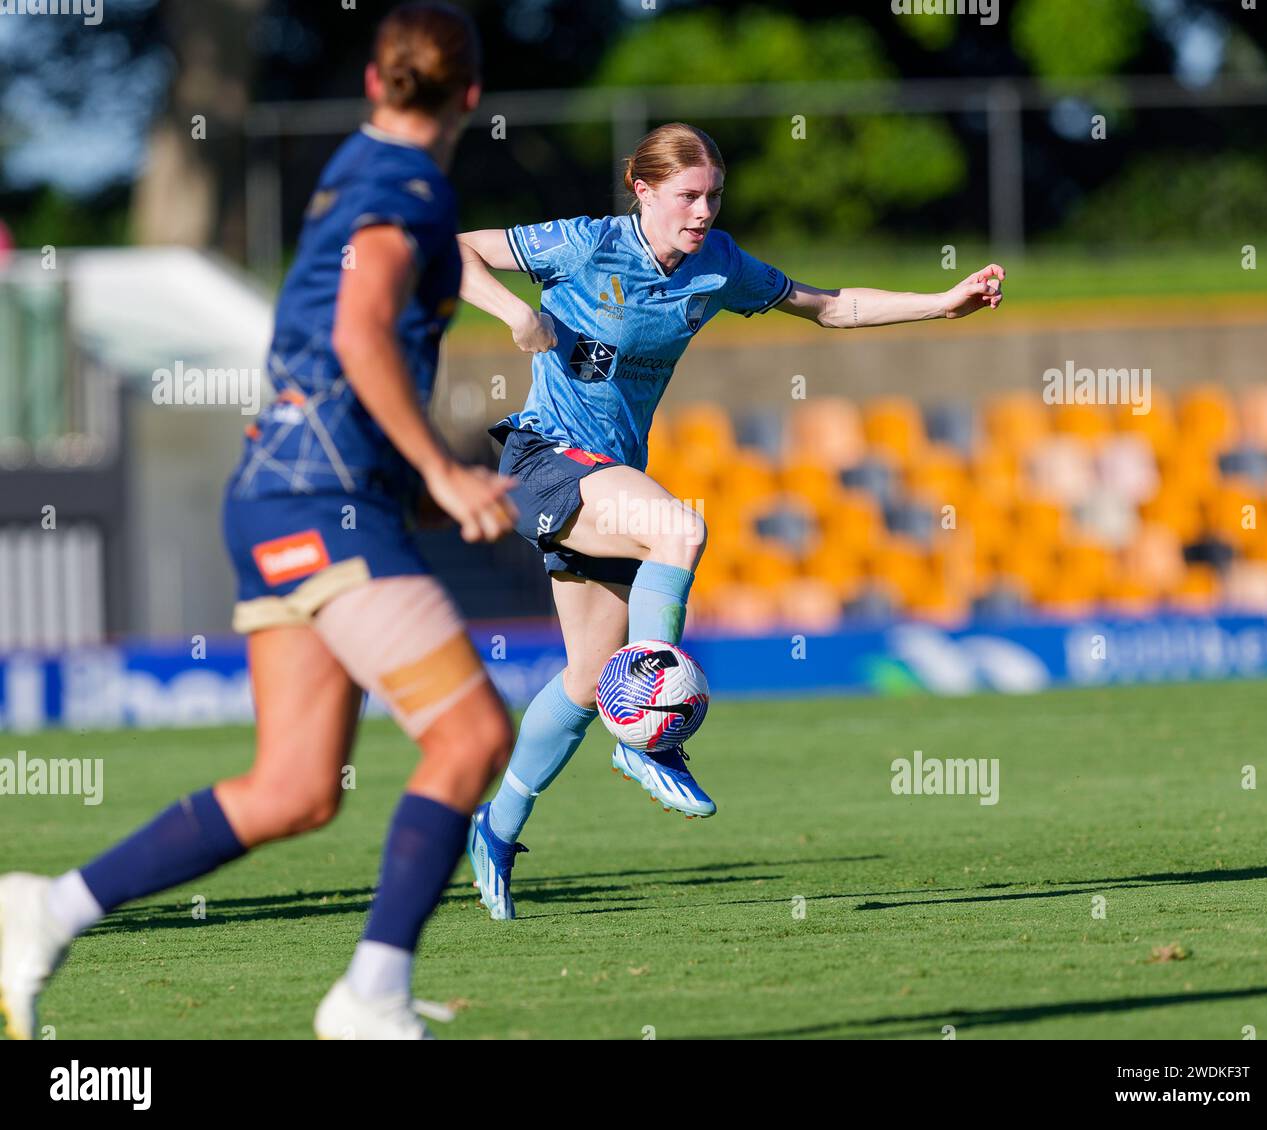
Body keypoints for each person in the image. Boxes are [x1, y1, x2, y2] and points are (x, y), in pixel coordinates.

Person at [0, 1, 516, 1041]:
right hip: (319, 506)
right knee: (469, 735)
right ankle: (368, 994)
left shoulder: (353, 168)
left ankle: (41, 909)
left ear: (376, 83)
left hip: (282, 495)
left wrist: (404, 475)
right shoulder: (406, 186)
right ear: (469, 94)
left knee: (292, 788)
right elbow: (359, 331)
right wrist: (440, 469)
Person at [456, 121, 1005, 919]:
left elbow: (831, 306)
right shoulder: (581, 244)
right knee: (679, 530)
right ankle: (649, 733)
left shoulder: (717, 265)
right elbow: (448, 248)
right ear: (641, 190)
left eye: (713, 194)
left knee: (581, 678)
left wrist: (942, 303)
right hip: (545, 459)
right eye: (687, 195)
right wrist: (514, 314)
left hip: (608, 480)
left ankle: (496, 830)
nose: (704, 210)